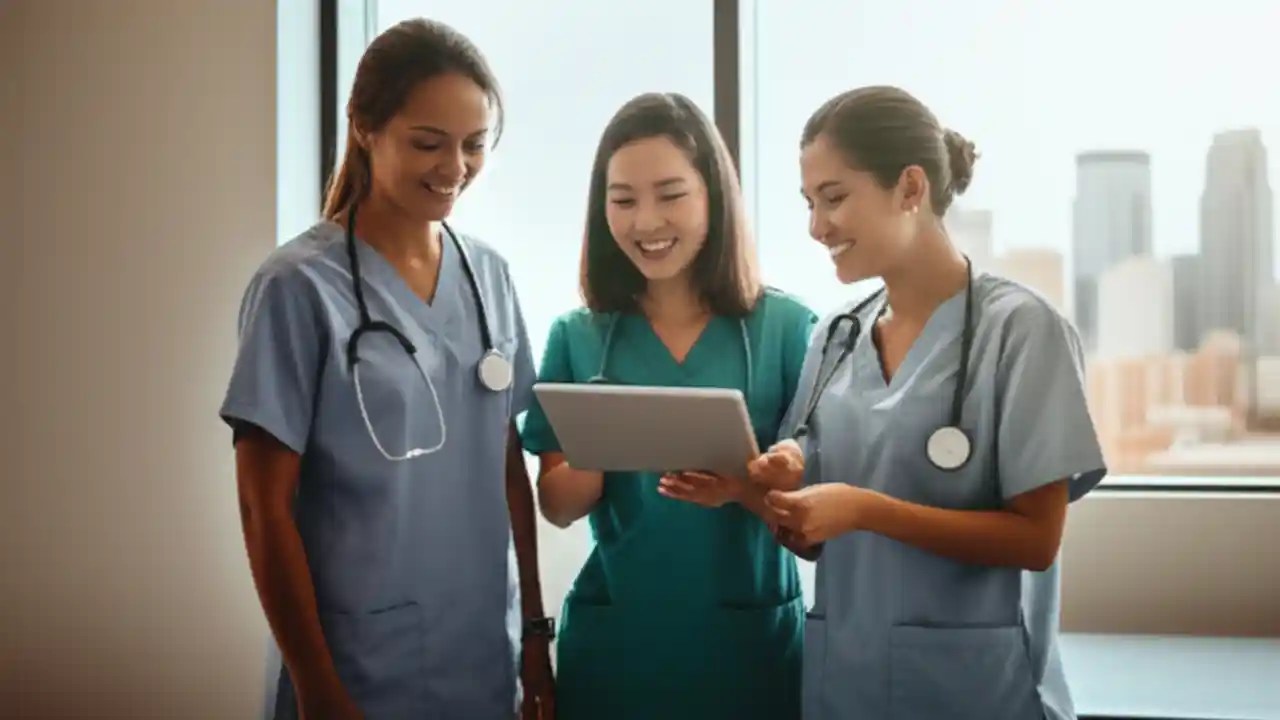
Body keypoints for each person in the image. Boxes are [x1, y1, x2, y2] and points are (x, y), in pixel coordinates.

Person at [219, 19, 554, 720]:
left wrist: (533, 636)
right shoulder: (298, 287)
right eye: (428, 143)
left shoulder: (489, 276)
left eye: (474, 145)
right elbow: (263, 507)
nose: (454, 167)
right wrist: (317, 688)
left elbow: (506, 468)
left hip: (481, 653)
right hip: (355, 663)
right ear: (364, 128)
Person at [739, 85, 1107, 720]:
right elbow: (812, 539)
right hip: (846, 685)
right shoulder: (837, 335)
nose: (817, 227)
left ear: (910, 188)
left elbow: (1035, 541)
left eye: (834, 198)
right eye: (809, 203)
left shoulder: (1021, 331)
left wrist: (865, 510)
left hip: (976, 691)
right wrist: (761, 485)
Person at [518, 92, 818, 720]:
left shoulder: (789, 330)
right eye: (623, 200)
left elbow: (816, 522)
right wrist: (599, 443)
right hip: (618, 645)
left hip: (747, 647)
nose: (645, 222)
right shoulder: (578, 336)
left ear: (714, 195)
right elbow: (559, 507)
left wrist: (741, 488)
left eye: (671, 194)